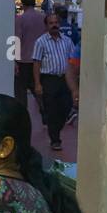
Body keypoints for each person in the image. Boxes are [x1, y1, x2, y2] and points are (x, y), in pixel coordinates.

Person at [32, 13, 79, 151]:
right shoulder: (41, 42)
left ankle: (57, 128)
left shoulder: (67, 41)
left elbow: (72, 62)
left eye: (56, 22)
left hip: (65, 79)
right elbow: (36, 63)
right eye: (51, 23)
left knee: (66, 107)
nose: (54, 25)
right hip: (49, 79)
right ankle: (55, 140)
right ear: (46, 26)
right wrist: (37, 83)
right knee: (52, 110)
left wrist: (75, 81)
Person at [14, 0, 47, 106]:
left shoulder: (20, 19)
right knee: (38, 89)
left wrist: (13, 61)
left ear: (23, 5)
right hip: (41, 60)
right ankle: (45, 113)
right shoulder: (43, 18)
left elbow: (16, 40)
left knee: (21, 92)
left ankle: (23, 116)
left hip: (24, 61)